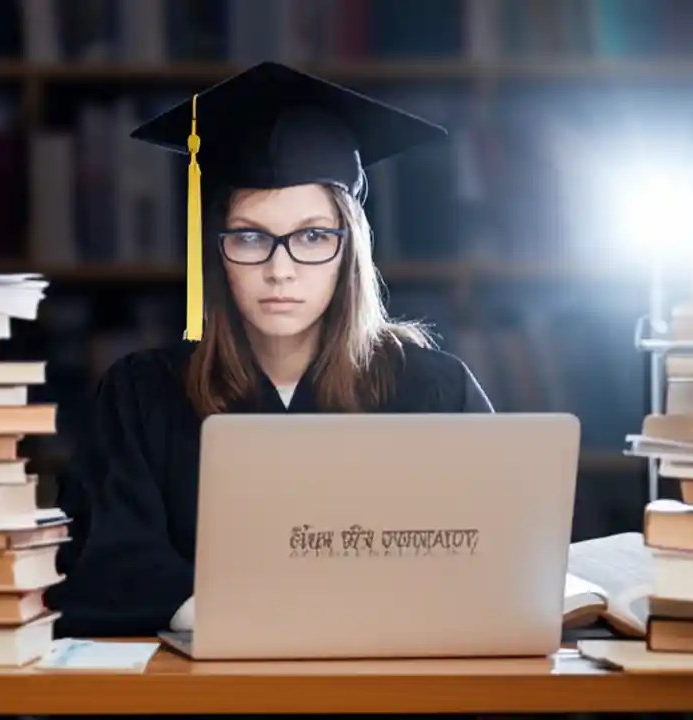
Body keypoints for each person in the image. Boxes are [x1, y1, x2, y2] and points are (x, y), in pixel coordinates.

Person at [44, 62, 493, 639]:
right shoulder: (143, 395)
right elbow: (102, 560)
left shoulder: (434, 391)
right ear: (216, 248)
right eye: (251, 236)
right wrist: (237, 620)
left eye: (311, 236)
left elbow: (494, 554)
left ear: (347, 250)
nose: (280, 270)